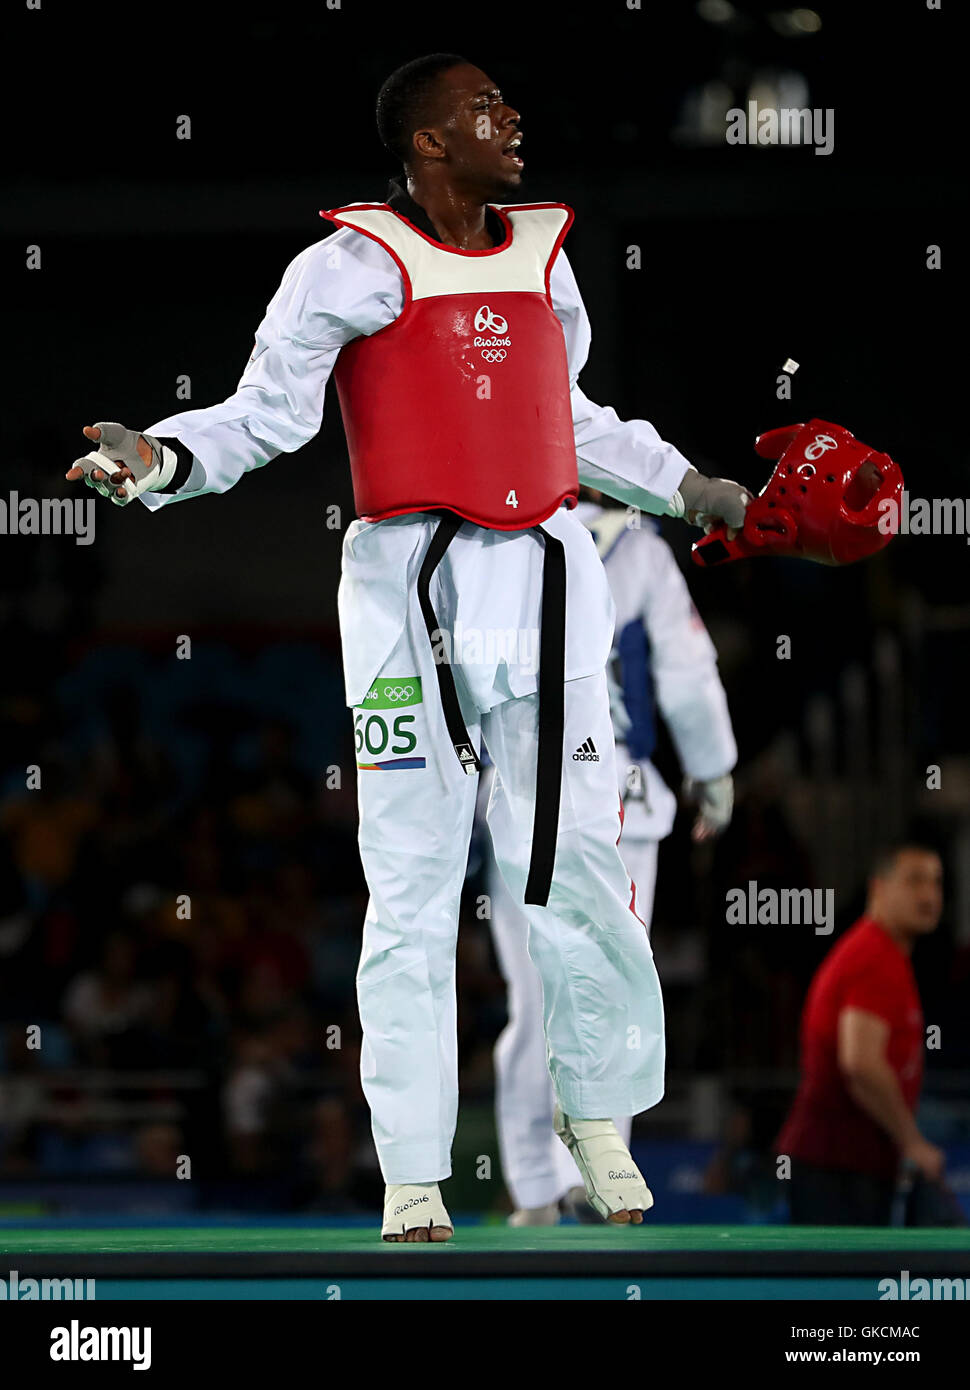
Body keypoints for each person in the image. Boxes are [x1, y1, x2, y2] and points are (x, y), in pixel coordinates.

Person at [65, 54, 750, 1241]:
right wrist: (163, 461)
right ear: (429, 143)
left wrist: (687, 484)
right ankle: (413, 1169)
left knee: (581, 874)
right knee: (412, 892)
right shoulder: (344, 264)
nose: (513, 117)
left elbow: (569, 417)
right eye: (486, 108)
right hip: (406, 601)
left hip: (544, 584)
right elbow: (265, 413)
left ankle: (598, 1122)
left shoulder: (545, 254)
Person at [483, 494, 737, 1223]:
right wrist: (712, 767)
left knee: (537, 999)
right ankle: (597, 1175)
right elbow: (687, 667)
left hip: (523, 793)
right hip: (618, 797)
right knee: (612, 983)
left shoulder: (491, 537)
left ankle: (537, 1186)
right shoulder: (642, 550)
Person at [776, 844, 944, 1226]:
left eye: (936, 883)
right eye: (914, 881)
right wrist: (913, 1142)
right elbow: (861, 1064)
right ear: (879, 889)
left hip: (847, 1167)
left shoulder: (884, 954)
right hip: (837, 1170)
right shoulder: (874, 956)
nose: (929, 895)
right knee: (844, 1287)